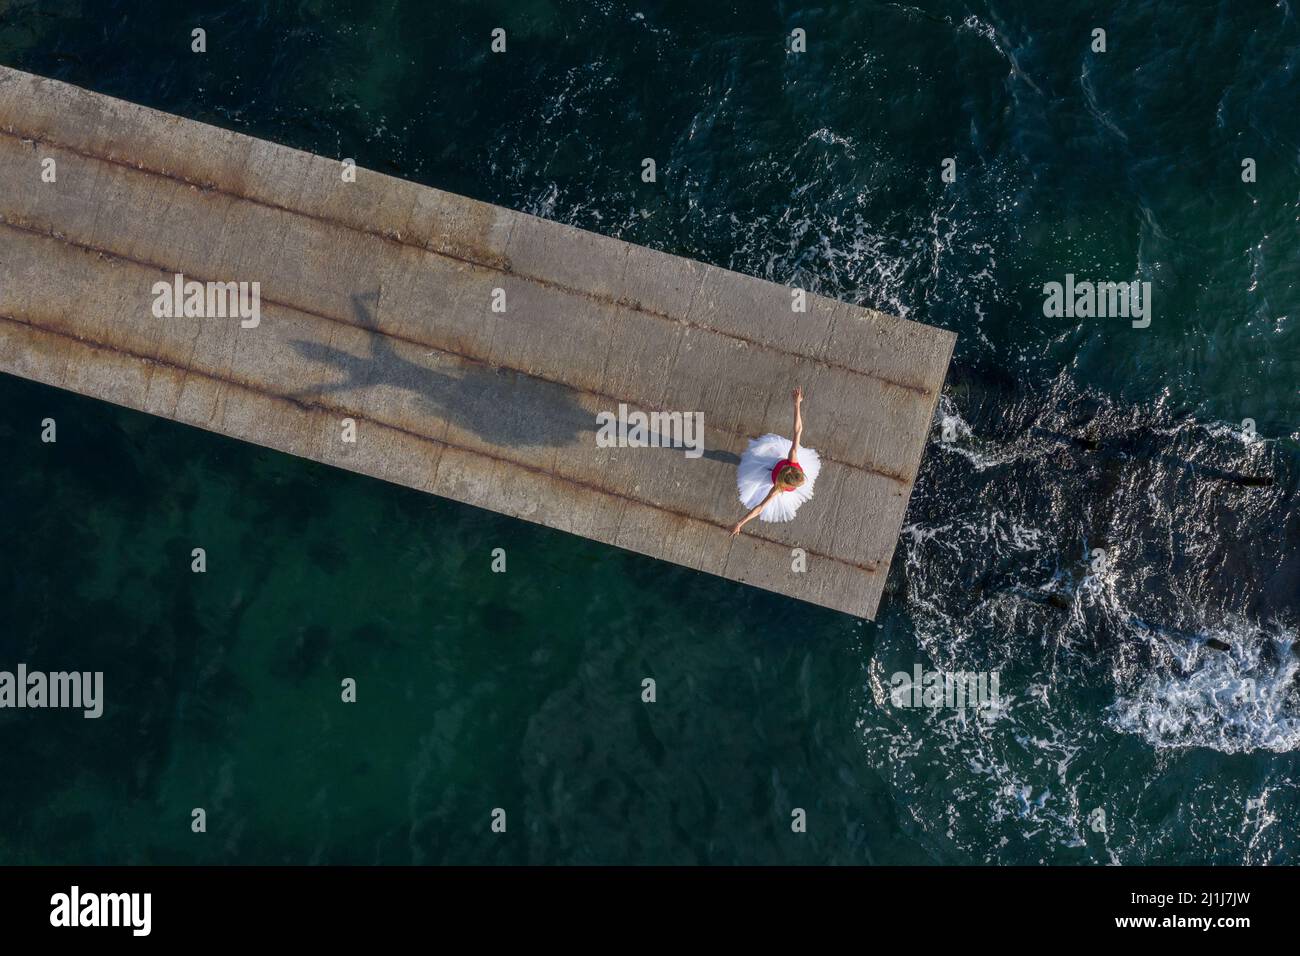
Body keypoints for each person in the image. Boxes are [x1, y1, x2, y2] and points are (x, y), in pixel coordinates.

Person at [731, 386, 821, 536]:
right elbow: (798, 429)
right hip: (774, 469)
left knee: (752, 462)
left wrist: (797, 404)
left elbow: (798, 430)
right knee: (753, 458)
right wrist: (797, 404)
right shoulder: (780, 483)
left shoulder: (789, 466)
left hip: (777, 471)